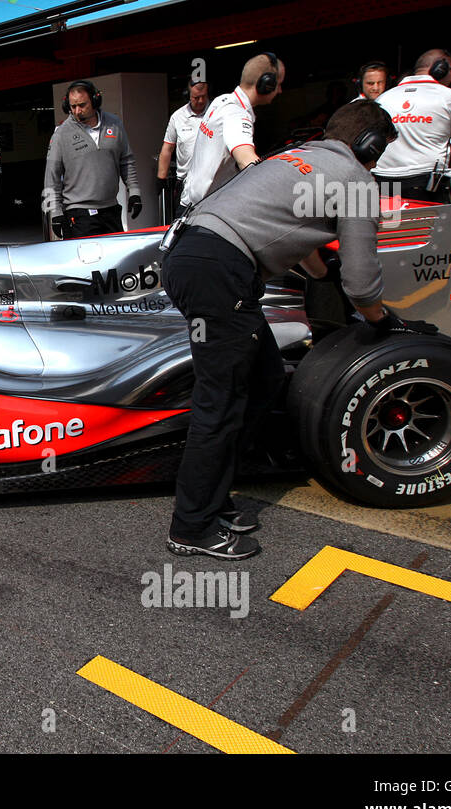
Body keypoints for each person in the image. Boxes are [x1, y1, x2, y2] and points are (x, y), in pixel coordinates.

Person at [160, 100, 434, 560]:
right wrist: (382, 321)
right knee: (222, 401)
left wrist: (321, 273)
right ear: (369, 145)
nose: (377, 160)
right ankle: (192, 526)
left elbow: (297, 236)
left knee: (264, 375)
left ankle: (214, 499)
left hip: (193, 255)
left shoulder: (293, 156)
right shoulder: (355, 180)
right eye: (380, 150)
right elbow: (362, 281)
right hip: (219, 270)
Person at [179, 52, 286, 212]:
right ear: (266, 84)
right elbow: (246, 161)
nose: (280, 91)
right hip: (204, 214)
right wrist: (280, 193)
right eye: (278, 84)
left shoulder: (222, 101)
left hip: (191, 205)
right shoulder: (237, 113)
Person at [372, 49, 451, 198]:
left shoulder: (383, 98)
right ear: (441, 68)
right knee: (427, 222)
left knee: (393, 221)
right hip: (427, 186)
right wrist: (450, 168)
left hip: (382, 184)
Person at [45, 80, 143, 238]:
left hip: (111, 210)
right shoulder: (61, 134)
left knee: (115, 261)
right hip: (79, 214)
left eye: (82, 105)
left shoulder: (114, 124)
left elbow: (126, 160)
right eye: (73, 106)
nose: (77, 111)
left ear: (95, 100)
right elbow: (51, 177)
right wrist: (55, 213)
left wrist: (134, 192)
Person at [156, 81, 210, 217]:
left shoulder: (216, 113)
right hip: (186, 183)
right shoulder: (177, 117)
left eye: (204, 96)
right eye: (196, 97)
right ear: (188, 96)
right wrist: (161, 178)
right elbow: (167, 148)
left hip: (212, 182)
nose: (201, 101)